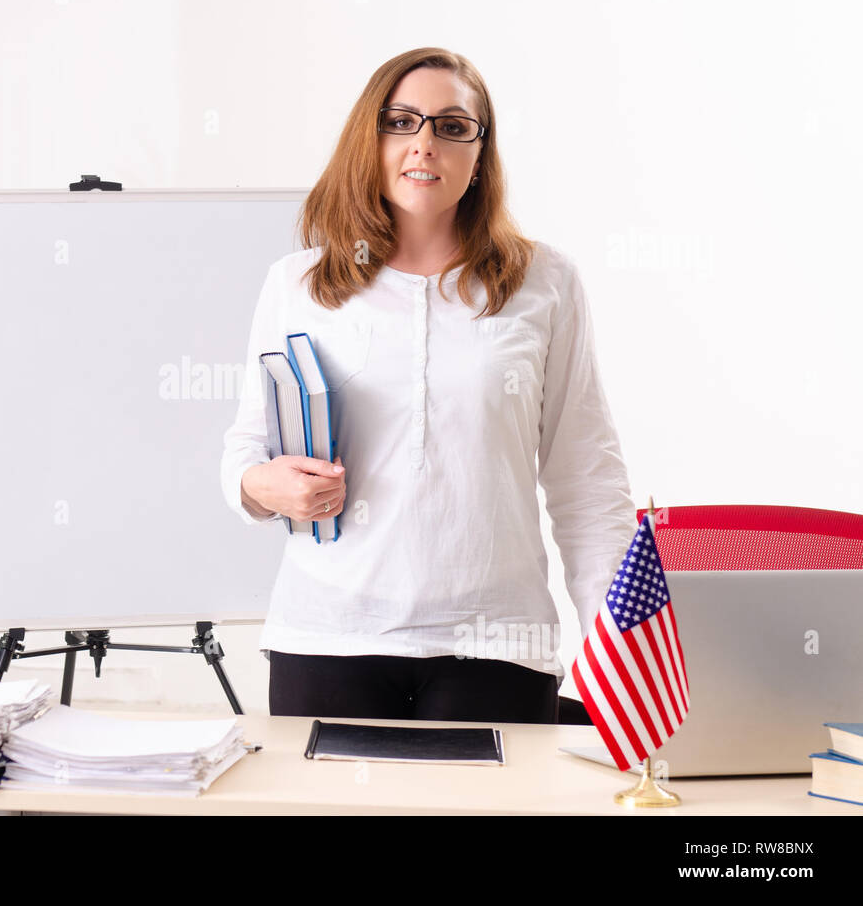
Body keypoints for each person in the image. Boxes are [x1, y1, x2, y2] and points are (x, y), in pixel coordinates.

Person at [219, 47, 638, 724]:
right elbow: (245, 451)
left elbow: (587, 481)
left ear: (480, 152)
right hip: (328, 638)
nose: (424, 144)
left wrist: (620, 649)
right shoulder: (297, 285)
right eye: (402, 122)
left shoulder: (545, 283)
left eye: (451, 126)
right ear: (371, 138)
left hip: (498, 644)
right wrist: (263, 487)